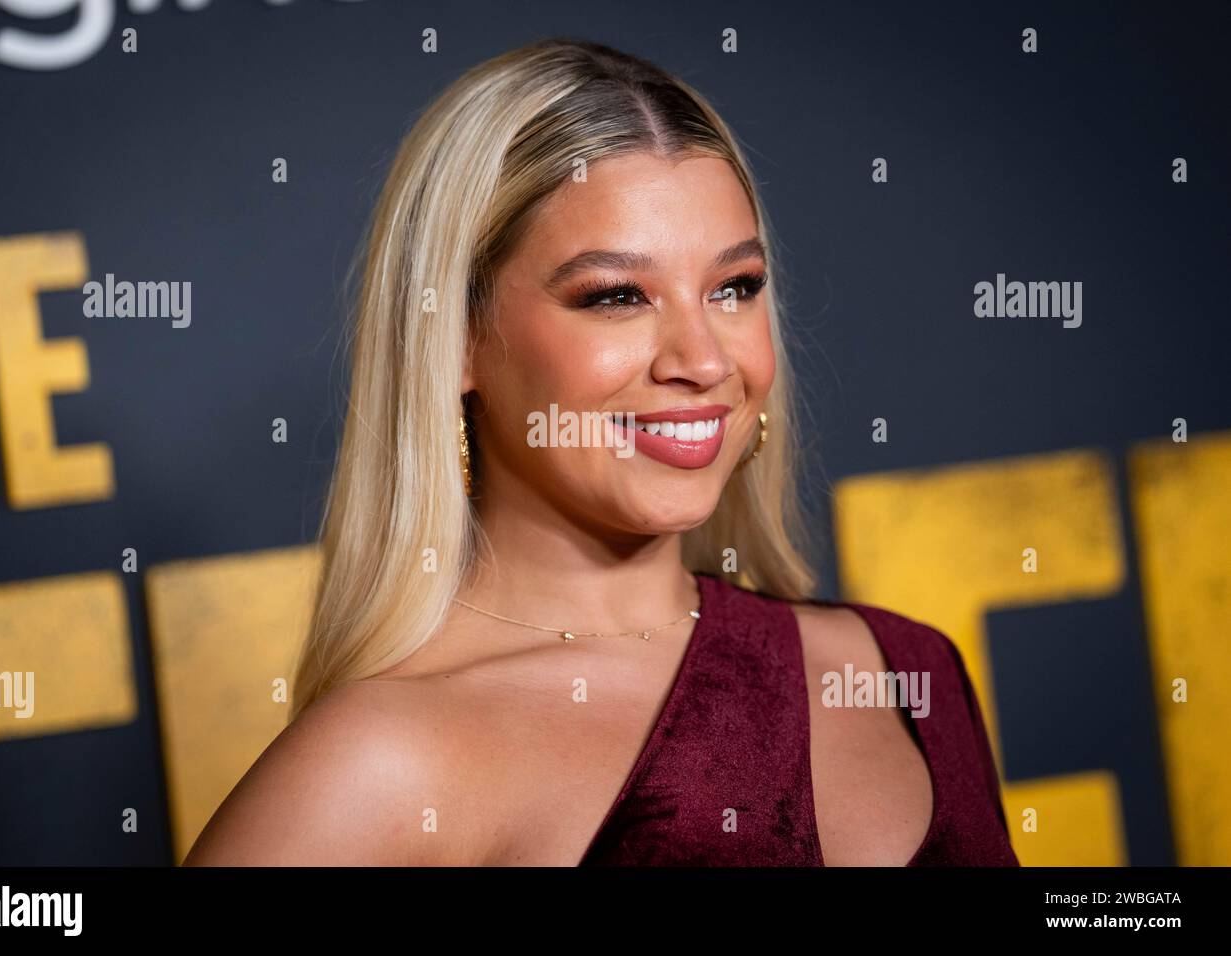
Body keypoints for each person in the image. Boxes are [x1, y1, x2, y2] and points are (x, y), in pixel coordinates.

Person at [183, 37, 1018, 867]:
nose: (701, 361)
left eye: (734, 288)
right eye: (616, 296)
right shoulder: (380, 762)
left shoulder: (905, 672)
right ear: (457, 341)